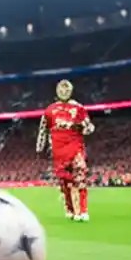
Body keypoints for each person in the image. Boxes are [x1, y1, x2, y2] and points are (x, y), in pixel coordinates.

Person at [37, 79, 95, 220]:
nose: (64, 92)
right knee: (65, 181)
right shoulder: (50, 110)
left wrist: (81, 126)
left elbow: (90, 128)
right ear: (57, 91)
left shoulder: (78, 108)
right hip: (58, 150)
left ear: (71, 90)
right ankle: (70, 208)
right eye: (61, 89)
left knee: (80, 175)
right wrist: (40, 147)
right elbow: (42, 130)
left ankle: (83, 210)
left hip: (75, 148)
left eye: (67, 89)